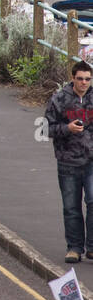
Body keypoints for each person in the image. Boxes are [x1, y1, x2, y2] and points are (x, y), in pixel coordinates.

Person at [45, 61, 93, 264]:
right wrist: (67, 129)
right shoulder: (59, 99)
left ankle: (91, 247)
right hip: (68, 162)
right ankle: (74, 248)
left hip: (91, 160)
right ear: (73, 78)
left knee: (92, 202)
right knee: (71, 207)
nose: (84, 82)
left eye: (88, 79)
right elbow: (47, 129)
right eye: (80, 78)